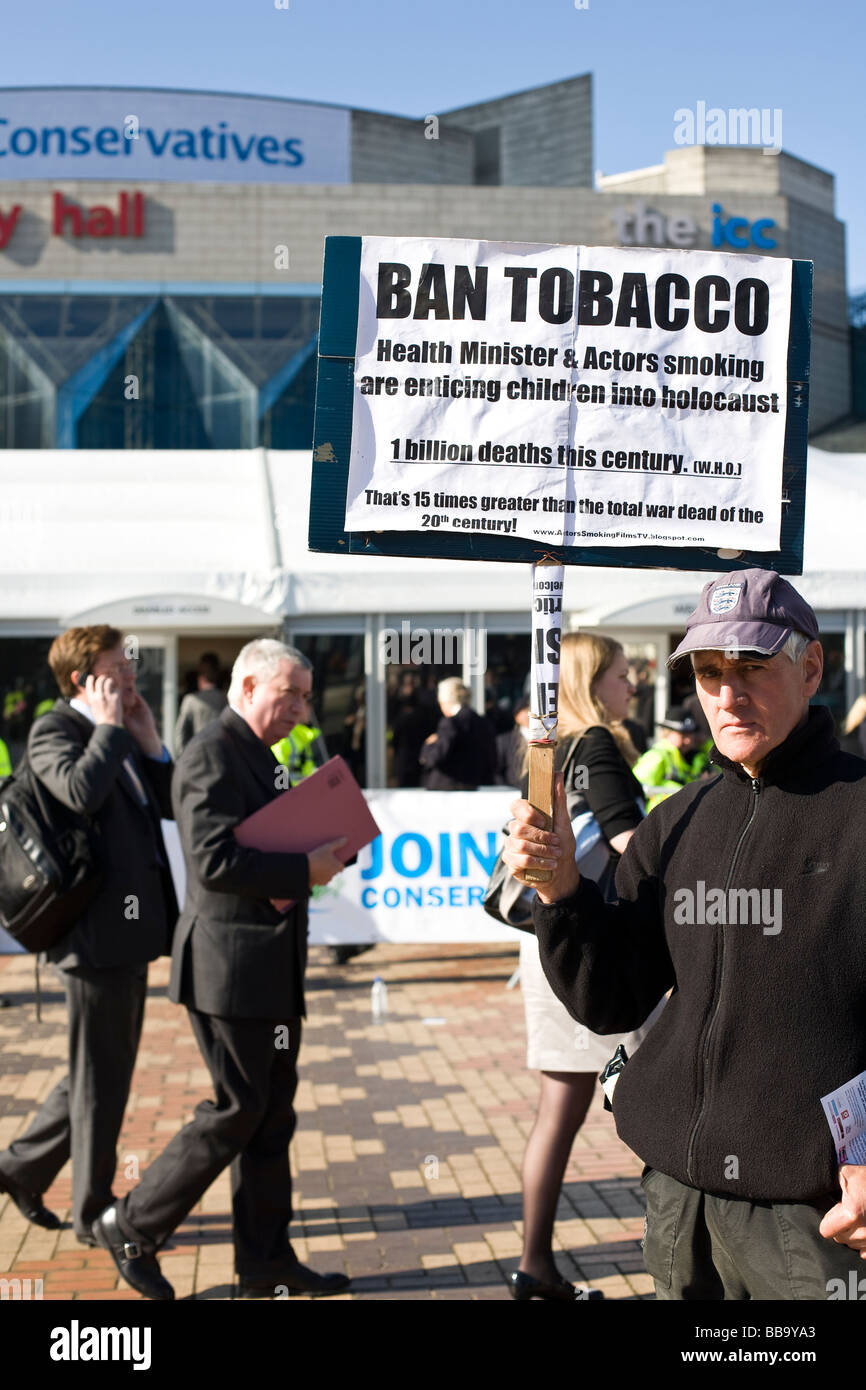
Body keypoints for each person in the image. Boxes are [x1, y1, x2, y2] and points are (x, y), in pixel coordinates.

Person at [504, 569, 866, 1300]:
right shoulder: (678, 820)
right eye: (708, 673)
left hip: (816, 1214)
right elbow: (612, 998)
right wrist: (561, 893)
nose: (727, 696)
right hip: (680, 1201)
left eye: (753, 668)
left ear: (812, 667)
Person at [92, 639, 350, 1300]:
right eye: (286, 692)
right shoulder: (212, 750)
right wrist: (304, 868)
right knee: (238, 1108)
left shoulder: (260, 755)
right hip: (228, 967)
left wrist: (322, 851)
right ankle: (131, 1224)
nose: (299, 707)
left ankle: (265, 1264)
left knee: (270, 1119)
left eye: (304, 694)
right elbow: (209, 860)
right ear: (245, 686)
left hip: (268, 965)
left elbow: (257, 843)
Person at [0, 625, 176, 1245]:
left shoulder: (120, 733)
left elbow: (171, 806)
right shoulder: (56, 729)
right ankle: (91, 1213)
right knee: (101, 1080)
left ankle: (21, 1168)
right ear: (83, 678)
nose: (131, 676)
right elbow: (78, 791)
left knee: (97, 1072)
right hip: (93, 934)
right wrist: (108, 728)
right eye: (118, 667)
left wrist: (150, 745)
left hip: (127, 932)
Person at [510, 632, 665, 1301]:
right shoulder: (597, 744)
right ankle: (689, 1240)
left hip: (551, 934)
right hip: (599, 941)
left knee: (559, 1105)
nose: (631, 687)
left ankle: (533, 1264)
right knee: (657, 1090)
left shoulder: (546, 751)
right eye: (623, 675)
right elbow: (629, 841)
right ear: (592, 680)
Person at [419, 677, 496, 789]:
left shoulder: (450, 723)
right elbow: (492, 758)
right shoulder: (483, 722)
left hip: (447, 788)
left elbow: (436, 756)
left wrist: (428, 745)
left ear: (446, 702)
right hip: (476, 785)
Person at [631, 706, 710, 811]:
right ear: (667, 733)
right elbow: (634, 791)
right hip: (661, 821)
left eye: (690, 734)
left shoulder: (699, 758)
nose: (688, 741)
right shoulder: (657, 756)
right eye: (682, 734)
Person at [174, 652, 227, 753]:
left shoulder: (191, 700)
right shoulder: (227, 699)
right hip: (221, 756)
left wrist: (184, 758)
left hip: (198, 756)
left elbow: (180, 734)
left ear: (200, 676)